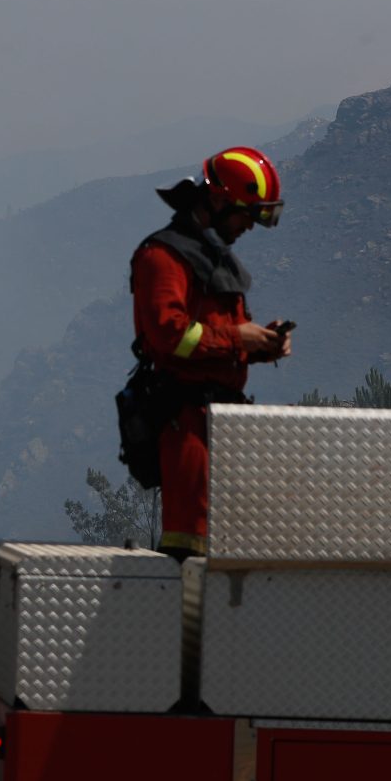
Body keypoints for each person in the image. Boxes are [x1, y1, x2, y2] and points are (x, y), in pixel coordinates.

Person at [130, 147, 291, 559]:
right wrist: (241, 339)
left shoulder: (213, 260)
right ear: (218, 201)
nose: (249, 228)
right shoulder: (162, 258)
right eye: (245, 215)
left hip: (224, 426)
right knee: (192, 547)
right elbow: (172, 339)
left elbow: (217, 339)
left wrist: (262, 345)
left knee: (231, 549)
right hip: (186, 425)